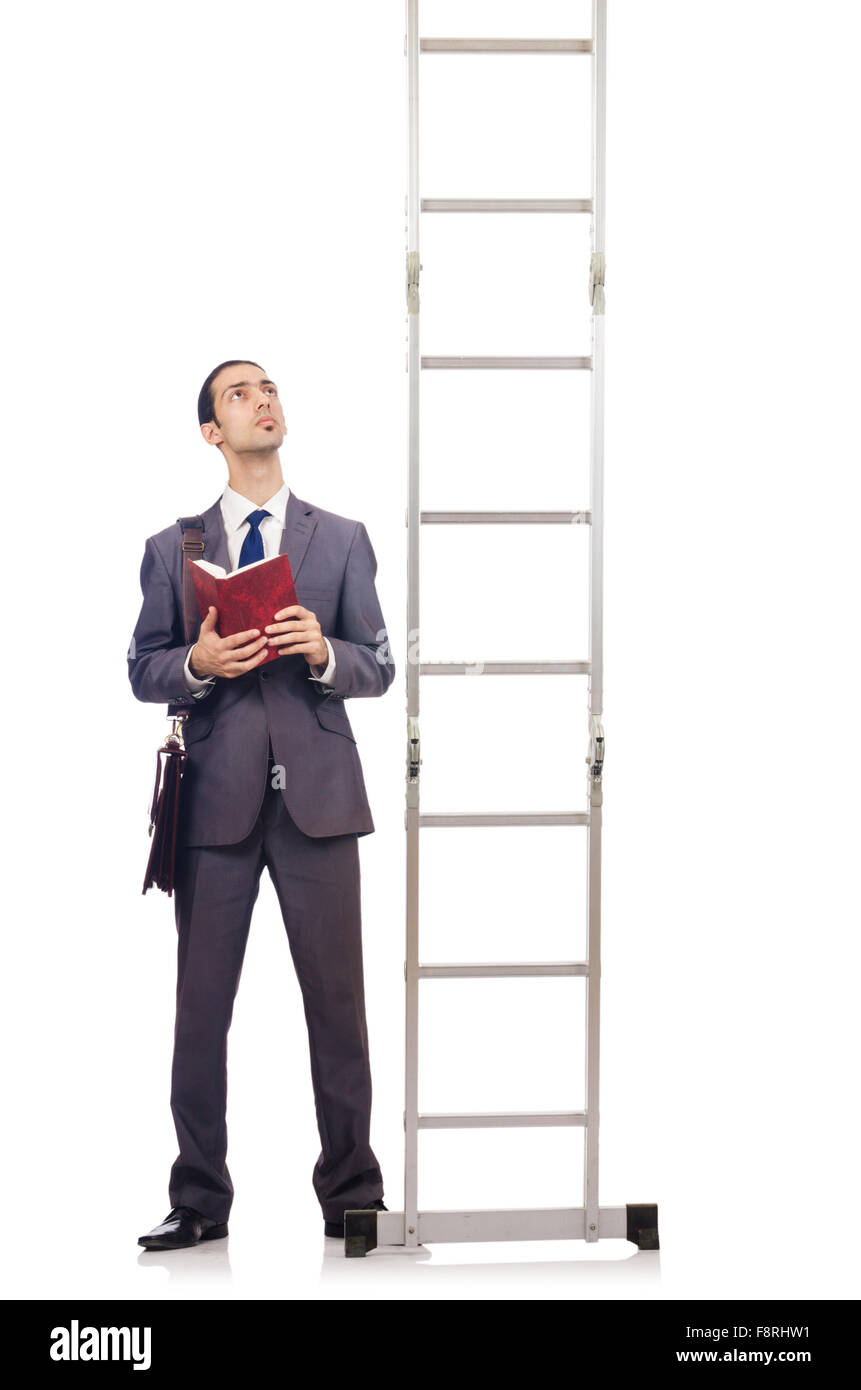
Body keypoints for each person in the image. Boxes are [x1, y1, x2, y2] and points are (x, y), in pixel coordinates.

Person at [128, 359, 394, 1249]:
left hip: (318, 802)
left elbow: (380, 660)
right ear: (212, 431)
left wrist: (324, 651)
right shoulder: (177, 548)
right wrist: (198, 665)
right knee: (200, 1009)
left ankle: (352, 1195)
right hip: (213, 806)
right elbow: (143, 667)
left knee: (337, 1006)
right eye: (239, 394)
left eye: (269, 388)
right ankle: (199, 1199)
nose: (262, 400)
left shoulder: (343, 539)